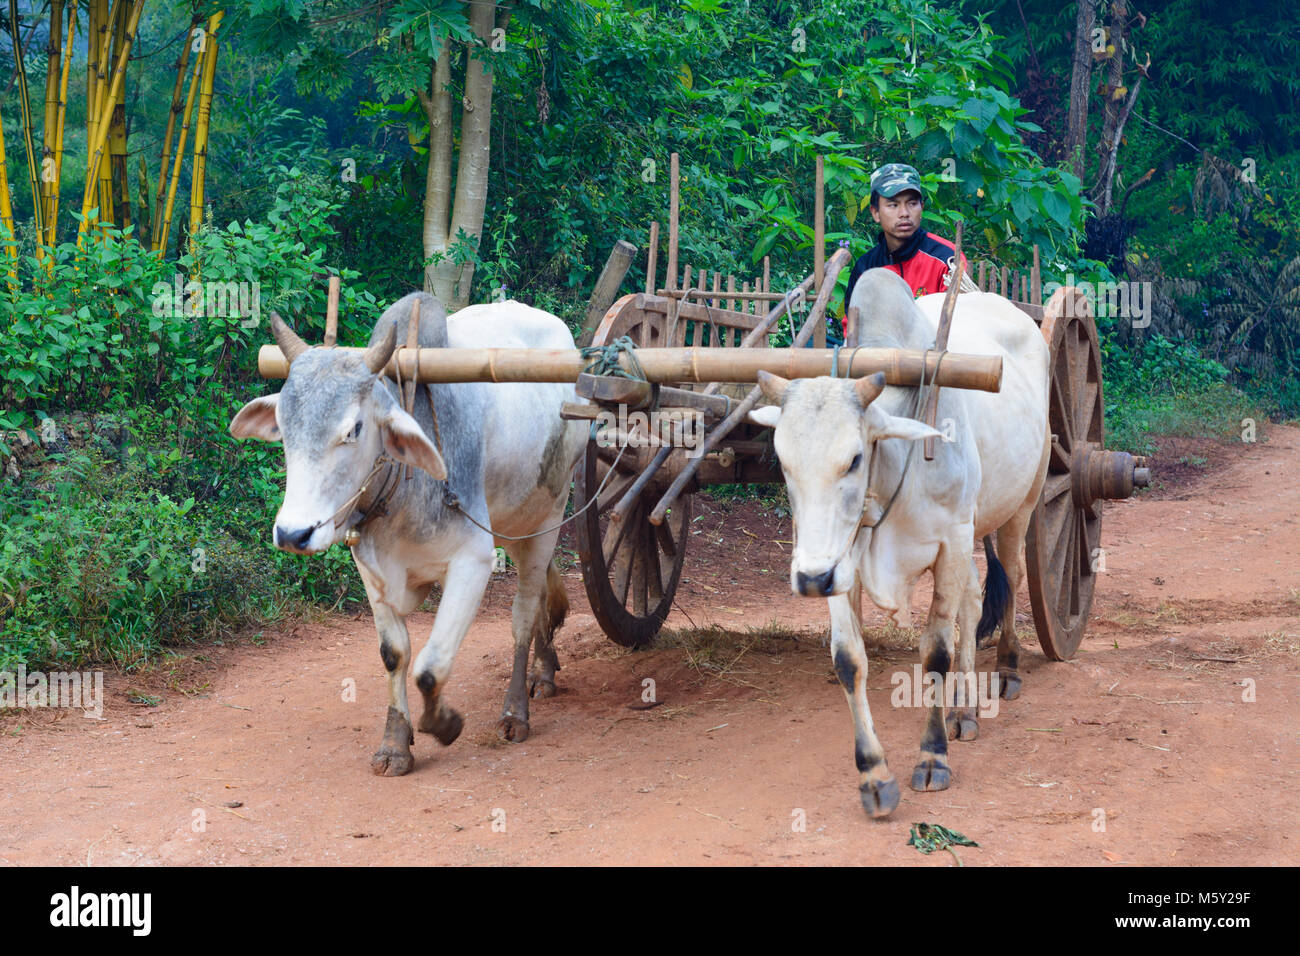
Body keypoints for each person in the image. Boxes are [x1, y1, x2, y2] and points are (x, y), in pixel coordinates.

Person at [841, 163, 967, 333]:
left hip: (936, 355)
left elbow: (960, 326)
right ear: (875, 213)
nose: (904, 213)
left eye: (912, 203)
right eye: (893, 205)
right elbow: (852, 328)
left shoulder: (946, 259)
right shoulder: (866, 268)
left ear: (921, 208)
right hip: (876, 357)